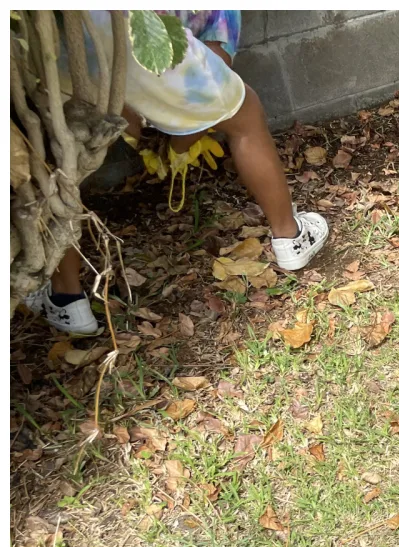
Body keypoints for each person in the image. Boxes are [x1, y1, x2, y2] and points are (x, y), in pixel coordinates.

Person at [25, 11, 328, 336]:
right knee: (244, 114)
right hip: (129, 29)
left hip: (50, 41)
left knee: (61, 160)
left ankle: (67, 298)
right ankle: (290, 237)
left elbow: (122, 103)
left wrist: (137, 135)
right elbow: (211, 84)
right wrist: (179, 149)